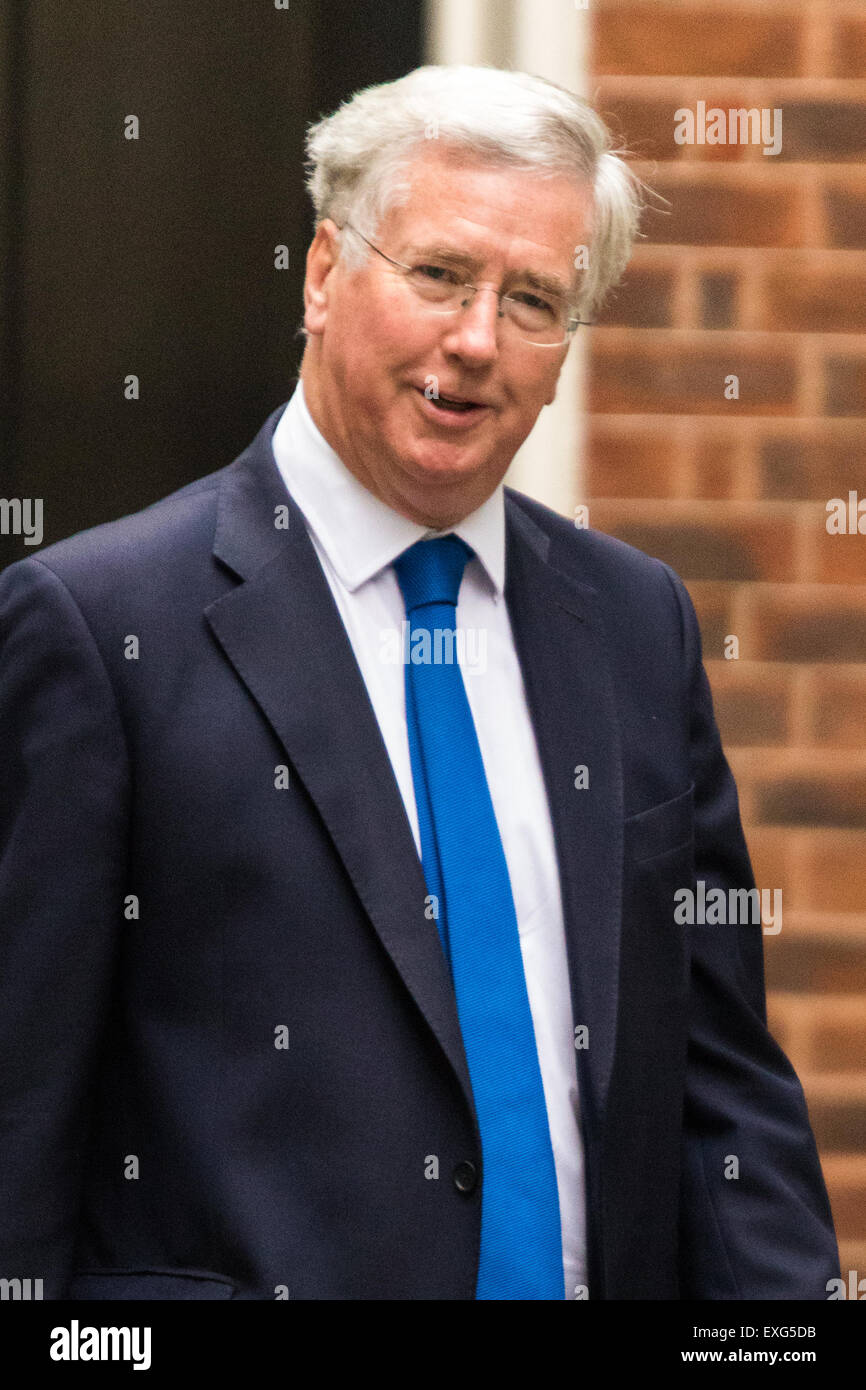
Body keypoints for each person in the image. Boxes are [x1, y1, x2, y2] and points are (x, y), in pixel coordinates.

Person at [0, 64, 840, 1300]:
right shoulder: (100, 628)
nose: (475, 340)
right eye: (439, 274)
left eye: (534, 299)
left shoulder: (634, 626)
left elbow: (717, 1083)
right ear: (325, 276)